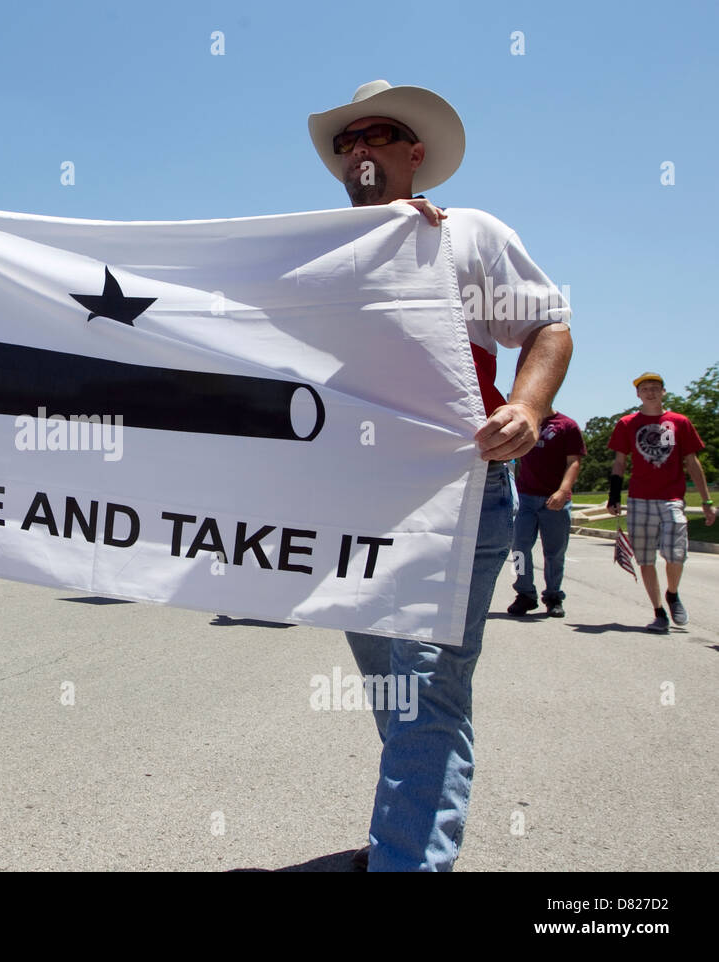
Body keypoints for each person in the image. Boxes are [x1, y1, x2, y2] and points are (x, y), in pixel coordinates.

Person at [307, 80, 572, 870]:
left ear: (413, 151)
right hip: (347, 501)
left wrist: (526, 408)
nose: (358, 150)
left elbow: (548, 324)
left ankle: (407, 859)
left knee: (428, 691)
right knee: (393, 687)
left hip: (451, 492)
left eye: (376, 134)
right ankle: (409, 825)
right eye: (343, 142)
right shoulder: (310, 249)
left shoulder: (465, 235)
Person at [606, 372, 714, 632]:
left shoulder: (679, 422)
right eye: (645, 389)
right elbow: (619, 462)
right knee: (645, 559)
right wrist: (613, 495)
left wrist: (706, 500)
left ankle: (673, 593)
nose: (650, 392)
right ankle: (658, 612)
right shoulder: (627, 423)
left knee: (677, 553)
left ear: (664, 392)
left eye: (655, 388)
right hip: (639, 499)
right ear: (638, 395)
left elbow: (692, 462)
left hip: (671, 498)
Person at [506, 409, 585, 617]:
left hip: (555, 499)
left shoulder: (566, 425)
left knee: (554, 552)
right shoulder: (523, 422)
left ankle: (553, 596)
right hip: (525, 497)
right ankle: (525, 593)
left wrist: (563, 490)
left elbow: (573, 462)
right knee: (519, 547)